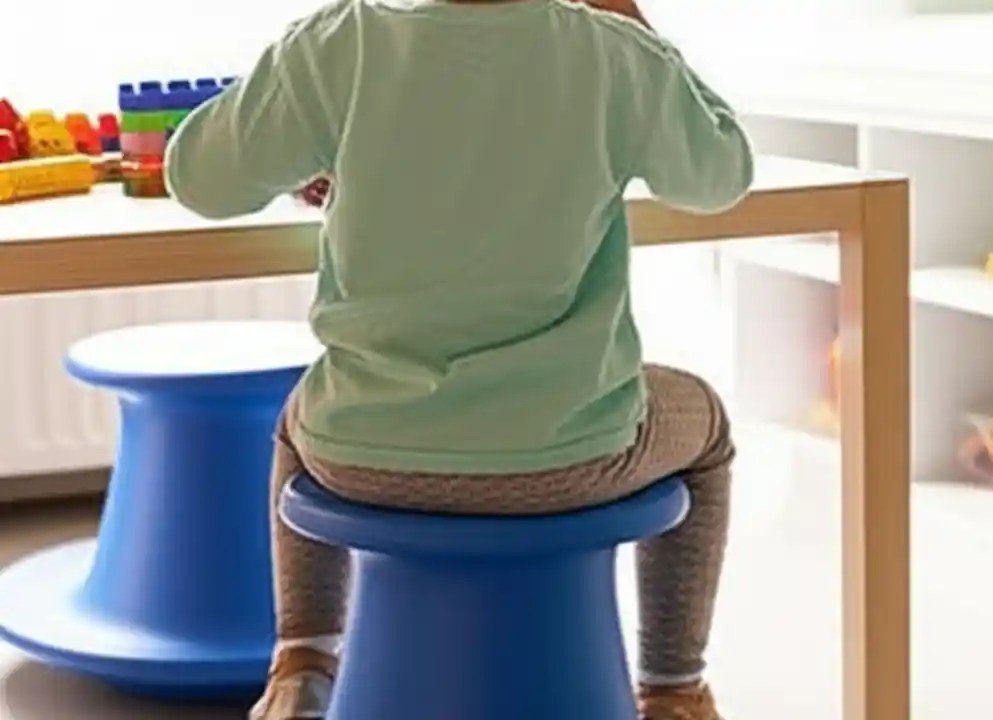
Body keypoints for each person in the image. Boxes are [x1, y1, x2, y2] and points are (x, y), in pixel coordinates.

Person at [165, 0, 753, 717]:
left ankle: (302, 660)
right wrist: (634, 25)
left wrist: (319, 141)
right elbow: (721, 174)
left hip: (363, 454)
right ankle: (673, 689)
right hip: (565, 456)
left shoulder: (338, 41)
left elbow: (198, 179)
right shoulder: (613, 53)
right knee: (705, 425)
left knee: (298, 418)